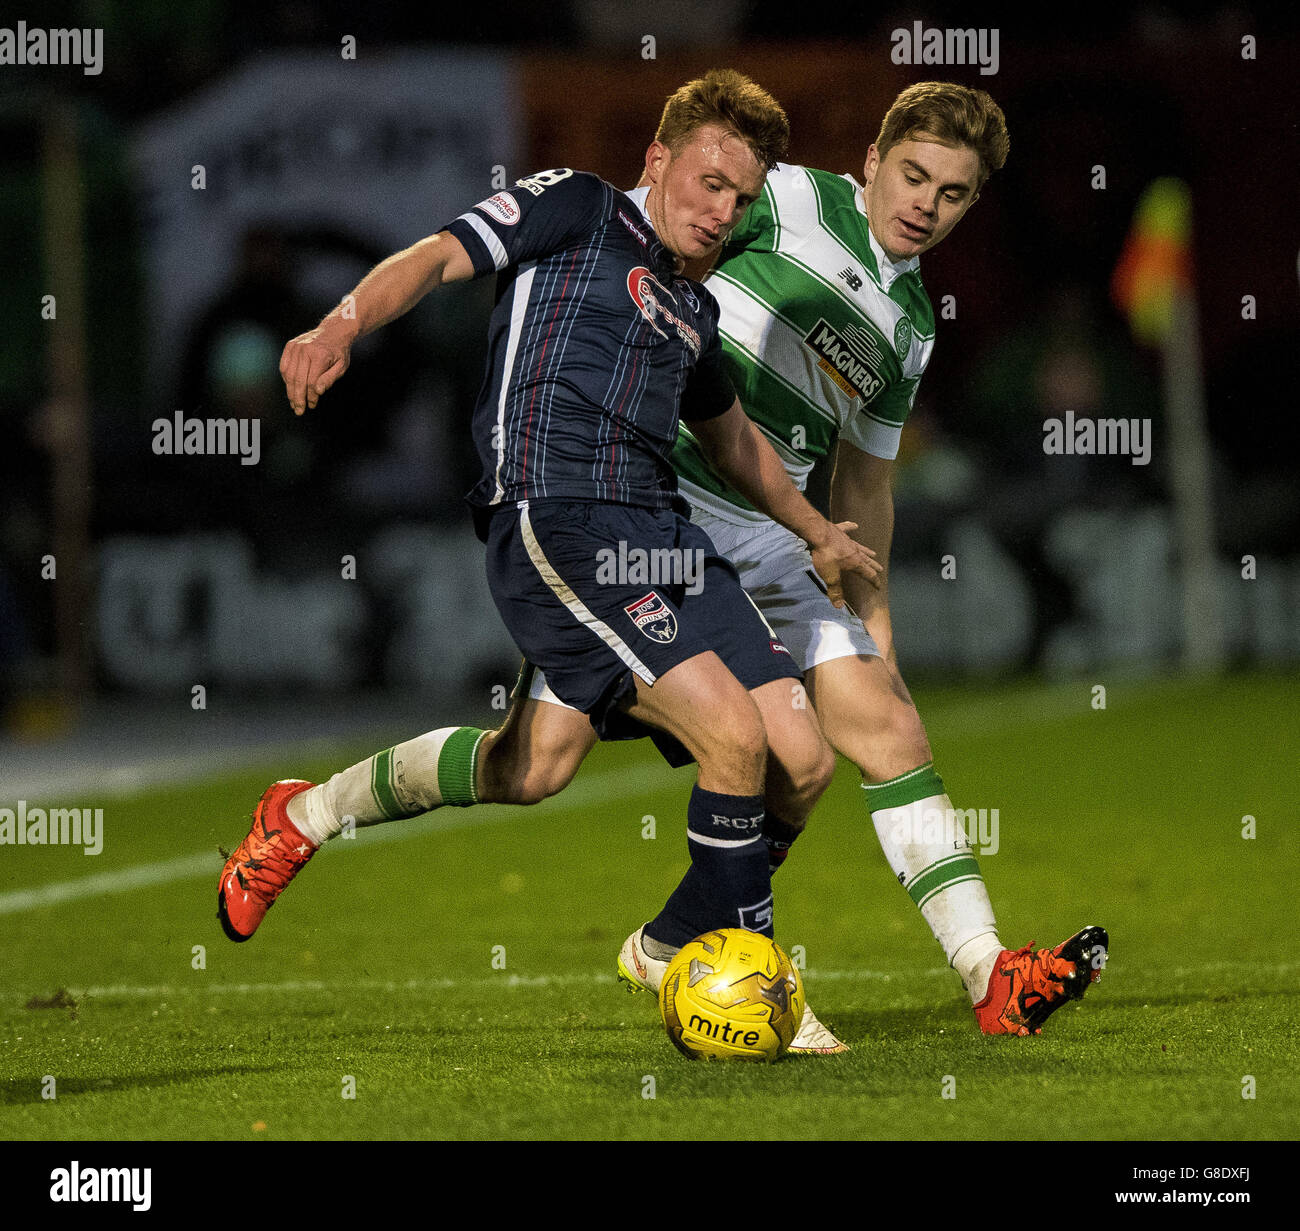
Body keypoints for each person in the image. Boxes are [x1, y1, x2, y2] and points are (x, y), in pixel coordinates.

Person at [217, 70, 880, 1052]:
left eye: (741, 199)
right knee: (733, 739)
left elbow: (734, 440)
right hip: (560, 524)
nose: (721, 211)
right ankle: (759, 981)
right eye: (707, 182)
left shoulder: (691, 312)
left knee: (755, 763)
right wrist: (343, 320)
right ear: (657, 160)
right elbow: (439, 255)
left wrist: (814, 527)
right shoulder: (574, 205)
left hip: (663, 542)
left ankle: (314, 814)